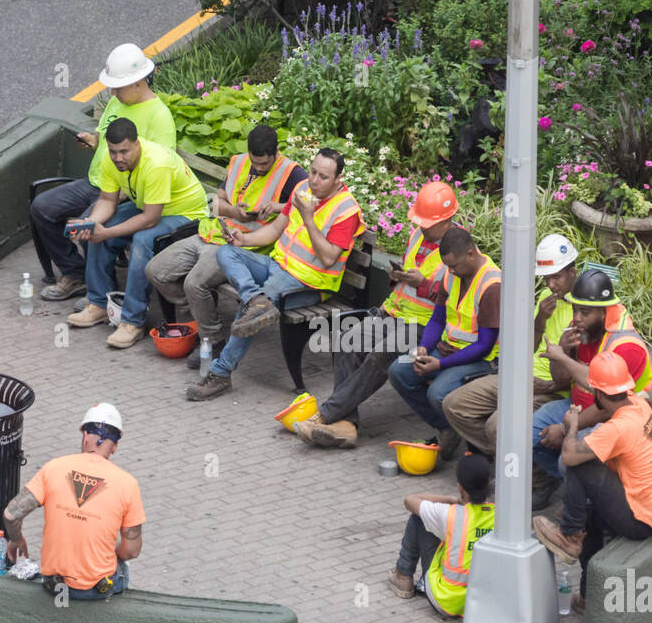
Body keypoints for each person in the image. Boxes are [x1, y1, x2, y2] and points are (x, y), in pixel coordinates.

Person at [186, 148, 365, 401]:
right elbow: (273, 232)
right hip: (277, 266)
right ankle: (254, 299)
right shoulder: (302, 188)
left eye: (323, 177)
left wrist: (308, 219)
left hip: (309, 284)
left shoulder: (346, 210)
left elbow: (327, 258)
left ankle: (220, 373)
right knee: (226, 253)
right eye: (313, 172)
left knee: (254, 310)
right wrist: (243, 240)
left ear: (338, 180)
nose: (314, 180)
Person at [293, 180, 457, 448]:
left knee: (380, 355)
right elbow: (408, 277)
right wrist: (398, 277)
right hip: (392, 312)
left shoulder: (458, 247)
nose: (422, 227)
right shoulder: (417, 234)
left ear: (447, 220)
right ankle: (346, 426)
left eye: (428, 223)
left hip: (423, 325)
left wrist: (423, 284)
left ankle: (326, 414)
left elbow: (457, 296)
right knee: (347, 342)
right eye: (420, 221)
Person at [146, 125, 307, 369]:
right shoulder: (240, 163)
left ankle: (212, 337)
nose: (260, 168)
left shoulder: (292, 173)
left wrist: (278, 206)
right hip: (213, 231)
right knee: (155, 270)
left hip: (243, 247)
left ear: (276, 152)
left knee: (194, 283)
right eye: (256, 163)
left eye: (265, 164)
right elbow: (217, 202)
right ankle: (202, 307)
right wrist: (235, 211)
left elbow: (308, 202)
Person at [32, 43, 177, 302]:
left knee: (91, 228)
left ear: (138, 82)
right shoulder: (116, 102)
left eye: (118, 87)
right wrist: (92, 139)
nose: (113, 91)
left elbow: (161, 165)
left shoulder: (159, 117)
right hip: (95, 182)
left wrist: (122, 193)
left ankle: (103, 295)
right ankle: (75, 274)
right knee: (42, 207)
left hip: (123, 193)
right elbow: (106, 136)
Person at [532, 352, 652, 611]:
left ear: (598, 393)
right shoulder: (637, 405)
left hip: (641, 519)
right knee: (589, 511)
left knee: (579, 464)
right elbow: (596, 385)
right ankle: (587, 595)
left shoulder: (618, 428)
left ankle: (569, 536)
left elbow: (569, 455)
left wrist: (572, 426)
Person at [65, 118, 208, 348]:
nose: (118, 158)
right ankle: (99, 303)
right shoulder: (108, 158)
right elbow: (107, 200)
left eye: (124, 151)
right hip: (150, 206)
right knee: (97, 229)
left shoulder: (156, 163)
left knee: (142, 240)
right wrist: (90, 223)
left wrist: (107, 232)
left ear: (137, 144)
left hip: (186, 214)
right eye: (113, 152)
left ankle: (133, 321)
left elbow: (150, 220)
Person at [530, 267, 652, 509]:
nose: (576, 318)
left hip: (623, 419)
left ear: (604, 312)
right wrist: (563, 351)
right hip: (580, 405)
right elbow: (560, 380)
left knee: (568, 460)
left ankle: (592, 504)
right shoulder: (583, 327)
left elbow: (609, 406)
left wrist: (564, 427)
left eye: (585, 312)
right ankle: (574, 487)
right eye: (575, 309)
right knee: (528, 434)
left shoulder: (626, 345)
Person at [442, 233, 579, 456]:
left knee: (497, 426)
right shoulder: (546, 296)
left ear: (572, 272)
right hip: (522, 377)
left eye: (557, 278)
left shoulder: (583, 309)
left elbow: (580, 373)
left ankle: (528, 473)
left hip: (551, 389)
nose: (550, 284)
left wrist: (551, 386)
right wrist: (540, 320)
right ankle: (505, 456)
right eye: (546, 278)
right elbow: (528, 347)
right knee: (454, 405)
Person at [3, 403, 144, 599]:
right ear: (115, 447)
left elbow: (11, 514)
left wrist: (16, 539)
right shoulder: (128, 484)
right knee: (122, 565)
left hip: (55, 584)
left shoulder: (54, 468)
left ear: (85, 435)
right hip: (95, 589)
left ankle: (62, 604)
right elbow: (131, 551)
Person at [387, 227, 500, 460]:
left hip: (482, 360)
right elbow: (437, 319)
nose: (450, 271)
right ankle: (447, 428)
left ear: (470, 254)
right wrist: (423, 348)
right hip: (446, 350)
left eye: (455, 266)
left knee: (438, 393)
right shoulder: (451, 275)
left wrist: (440, 365)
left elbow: (484, 346)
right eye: (447, 266)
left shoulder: (492, 285)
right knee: (399, 370)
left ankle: (480, 446)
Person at [387, 453, 495, 618]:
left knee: (420, 516)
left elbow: (410, 500)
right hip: (484, 600)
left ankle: (403, 575)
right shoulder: (500, 514)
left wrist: (450, 499)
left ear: (460, 486)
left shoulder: (450, 514)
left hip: (447, 600)